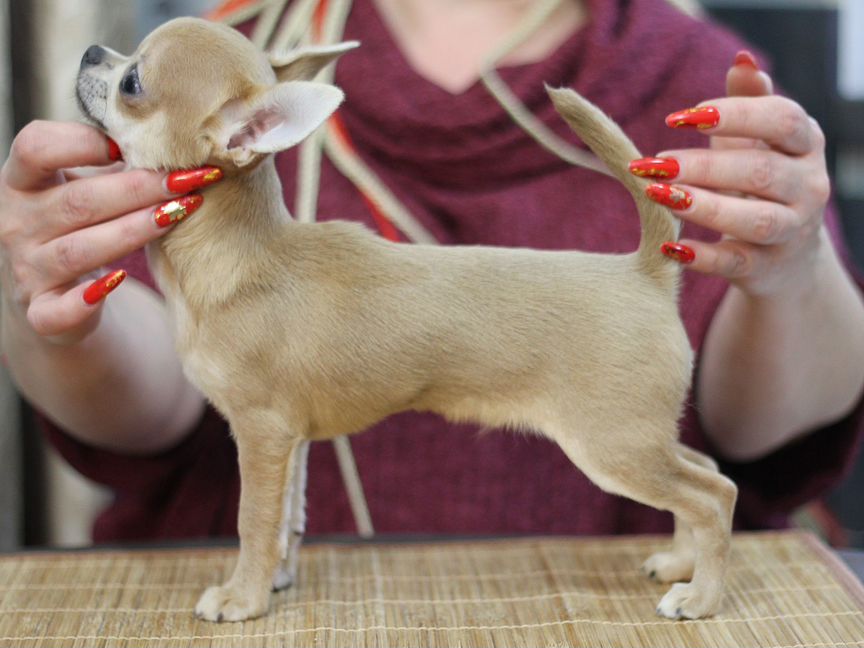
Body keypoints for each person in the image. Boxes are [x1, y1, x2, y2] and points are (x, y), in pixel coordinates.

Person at [1, 0, 863, 542]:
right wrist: (55, 298)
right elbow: (158, 392)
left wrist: (789, 270)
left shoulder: (694, 75)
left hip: (606, 601)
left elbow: (765, 428)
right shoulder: (238, 51)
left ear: (256, 130)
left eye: (133, 88)